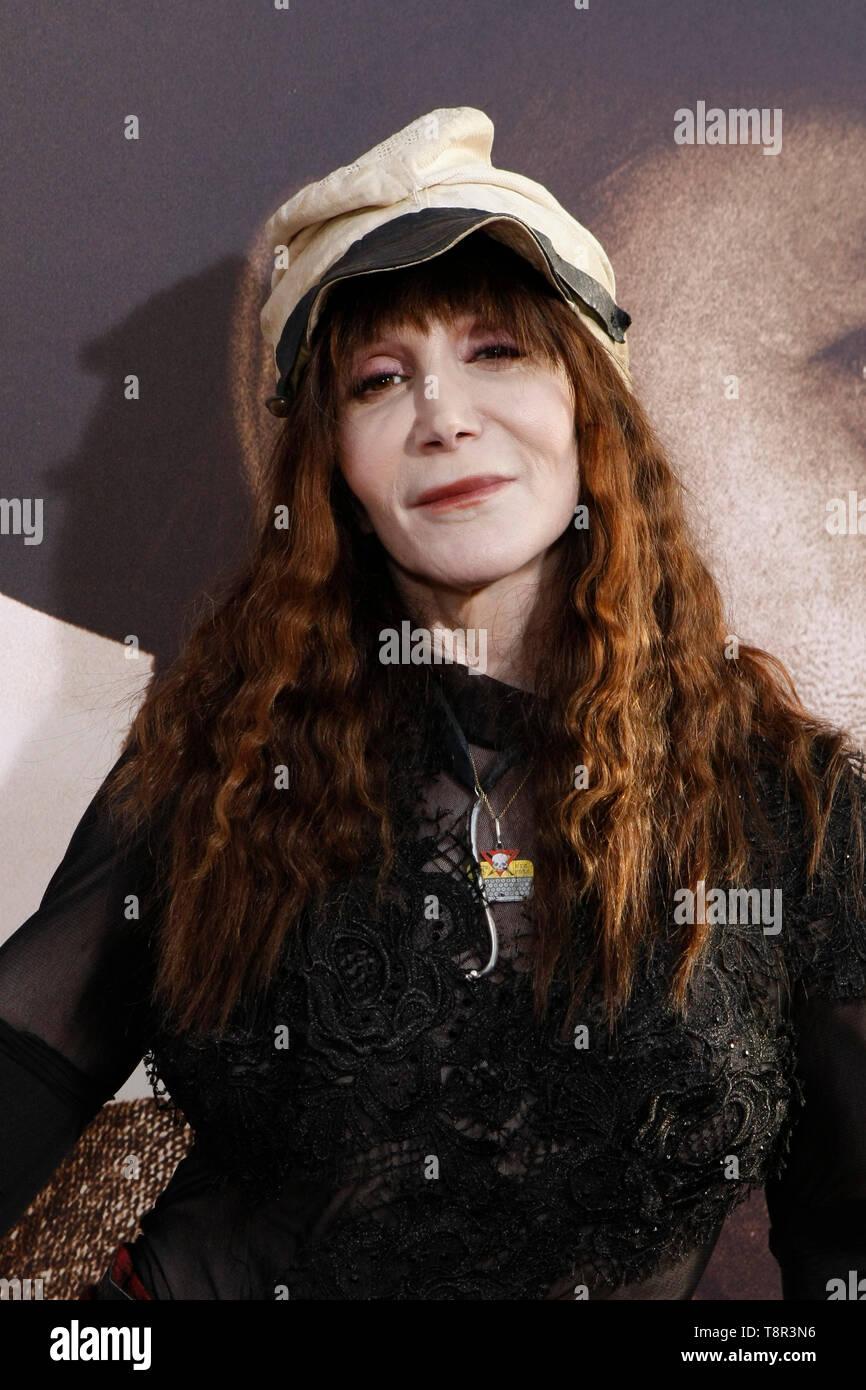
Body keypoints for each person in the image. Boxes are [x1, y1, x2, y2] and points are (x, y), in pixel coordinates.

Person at [1, 105, 865, 1301]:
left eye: (496, 351)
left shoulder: (799, 811)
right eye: (379, 377)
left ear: (588, 404)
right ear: (335, 469)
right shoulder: (225, 758)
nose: (443, 413)